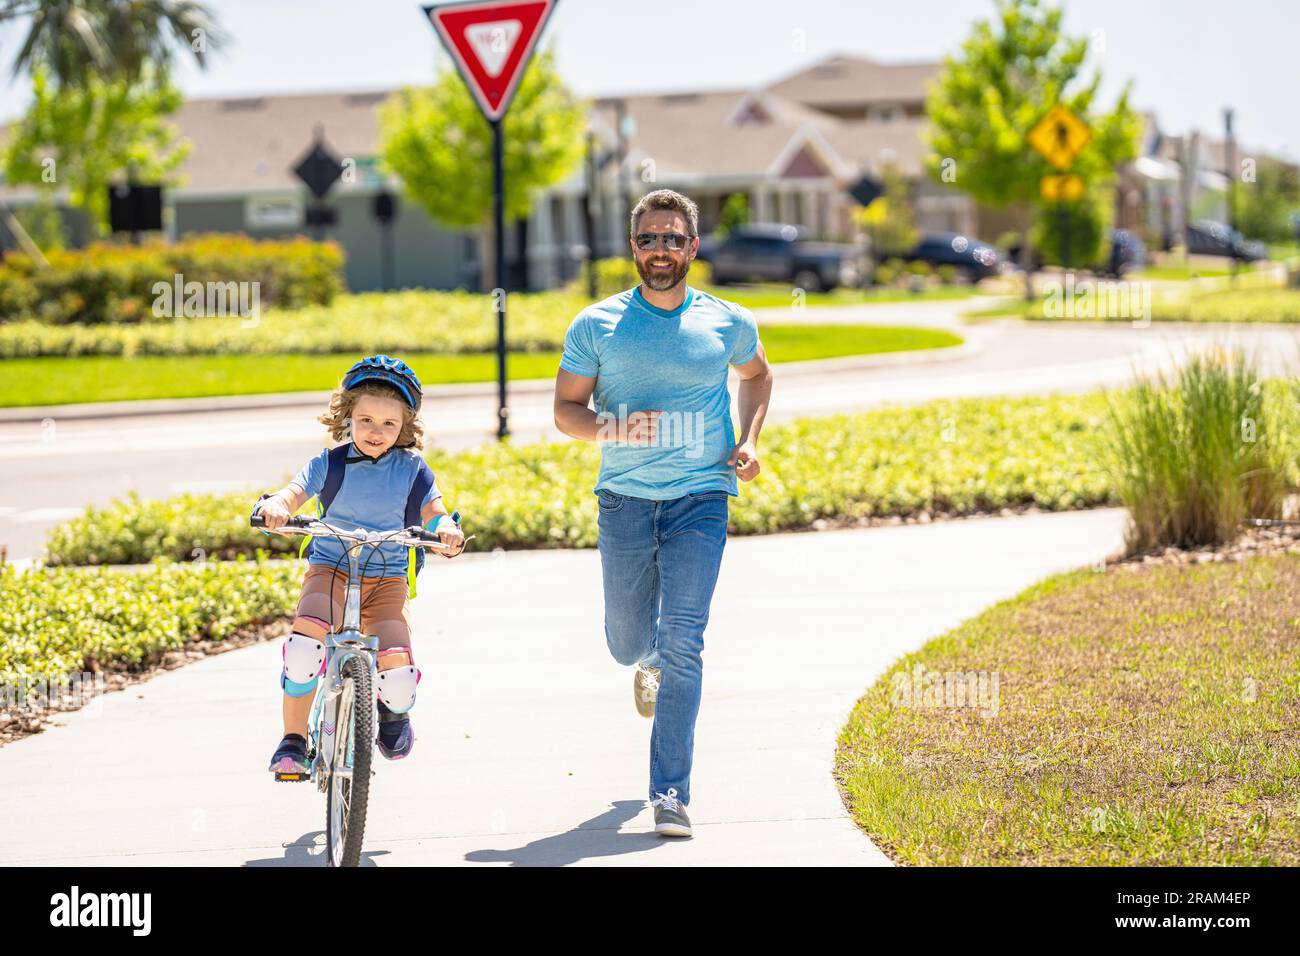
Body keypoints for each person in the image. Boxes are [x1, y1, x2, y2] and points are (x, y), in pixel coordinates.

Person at [553, 188, 773, 837]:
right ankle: (645, 661)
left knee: (686, 640)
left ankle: (670, 791)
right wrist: (611, 430)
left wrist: (749, 440)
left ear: (693, 247)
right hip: (624, 500)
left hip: (701, 499)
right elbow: (566, 412)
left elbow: (757, 377)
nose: (661, 250)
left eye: (673, 238)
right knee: (627, 643)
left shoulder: (727, 321)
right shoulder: (597, 324)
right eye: (650, 238)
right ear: (634, 247)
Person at [254, 354, 466, 776]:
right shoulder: (328, 463)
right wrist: (276, 507)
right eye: (366, 419)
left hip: (387, 580)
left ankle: (392, 713)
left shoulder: (413, 470)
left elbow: (436, 513)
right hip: (331, 568)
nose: (376, 431)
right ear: (346, 415)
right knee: (303, 648)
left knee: (399, 673)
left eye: (389, 424)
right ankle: (294, 740)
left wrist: (446, 532)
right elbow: (292, 493)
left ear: (405, 426)